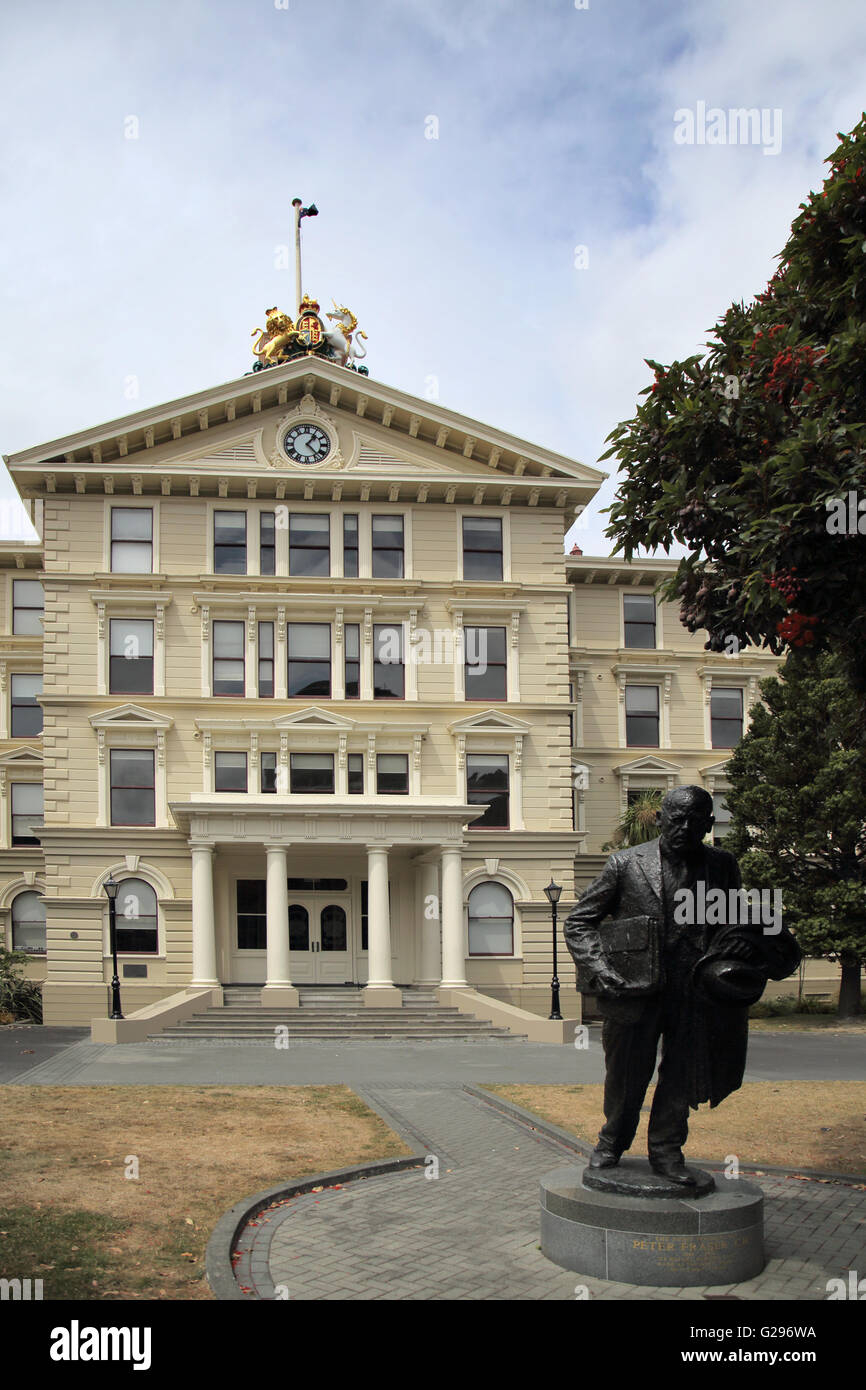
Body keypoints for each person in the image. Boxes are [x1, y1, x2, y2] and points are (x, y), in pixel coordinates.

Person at [563, 785, 767, 1185]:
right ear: (660, 818)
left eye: (696, 822)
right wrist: (600, 968)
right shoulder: (624, 864)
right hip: (632, 989)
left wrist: (743, 939)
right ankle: (611, 1142)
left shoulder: (722, 866)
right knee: (625, 1075)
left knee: (681, 1075)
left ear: (710, 825)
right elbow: (579, 921)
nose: (685, 828)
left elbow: (732, 920)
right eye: (677, 819)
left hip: (694, 991)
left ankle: (666, 1151)